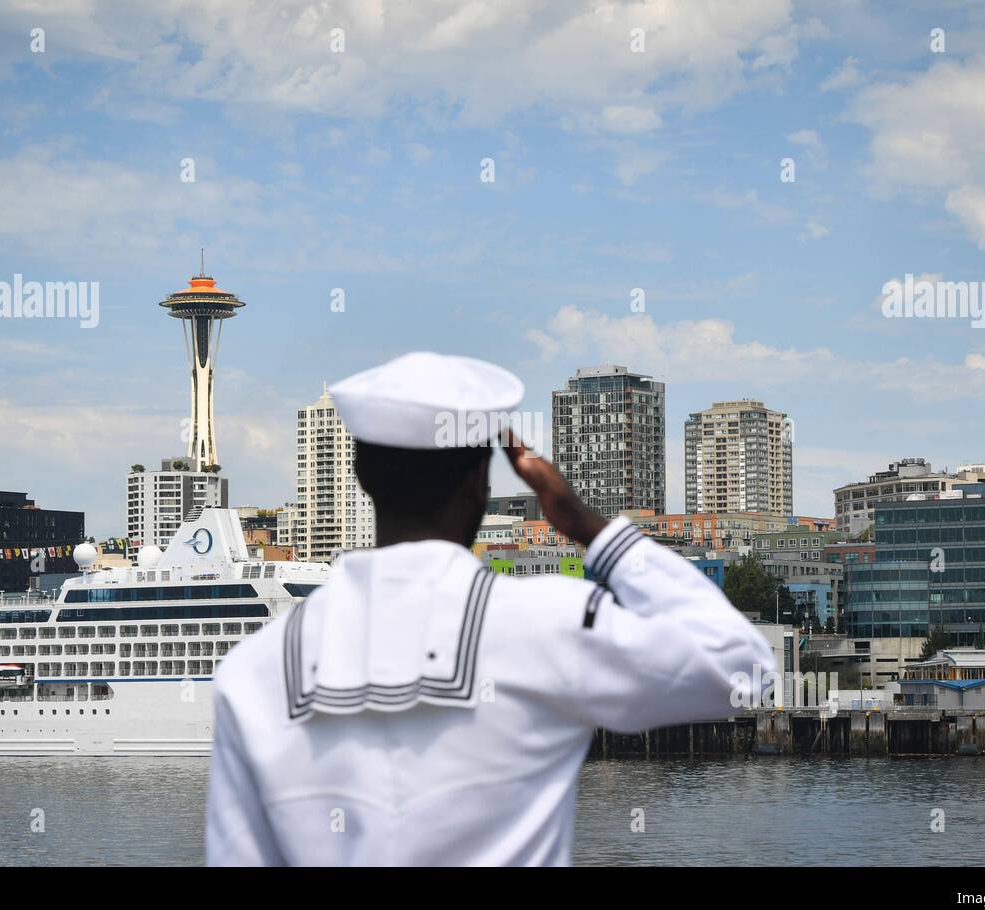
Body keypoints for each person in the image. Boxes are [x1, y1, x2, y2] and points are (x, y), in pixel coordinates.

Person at [206, 351, 775, 866]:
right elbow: (742, 669)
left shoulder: (253, 669)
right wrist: (588, 526)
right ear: (480, 480)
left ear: (360, 474)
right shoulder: (550, 624)